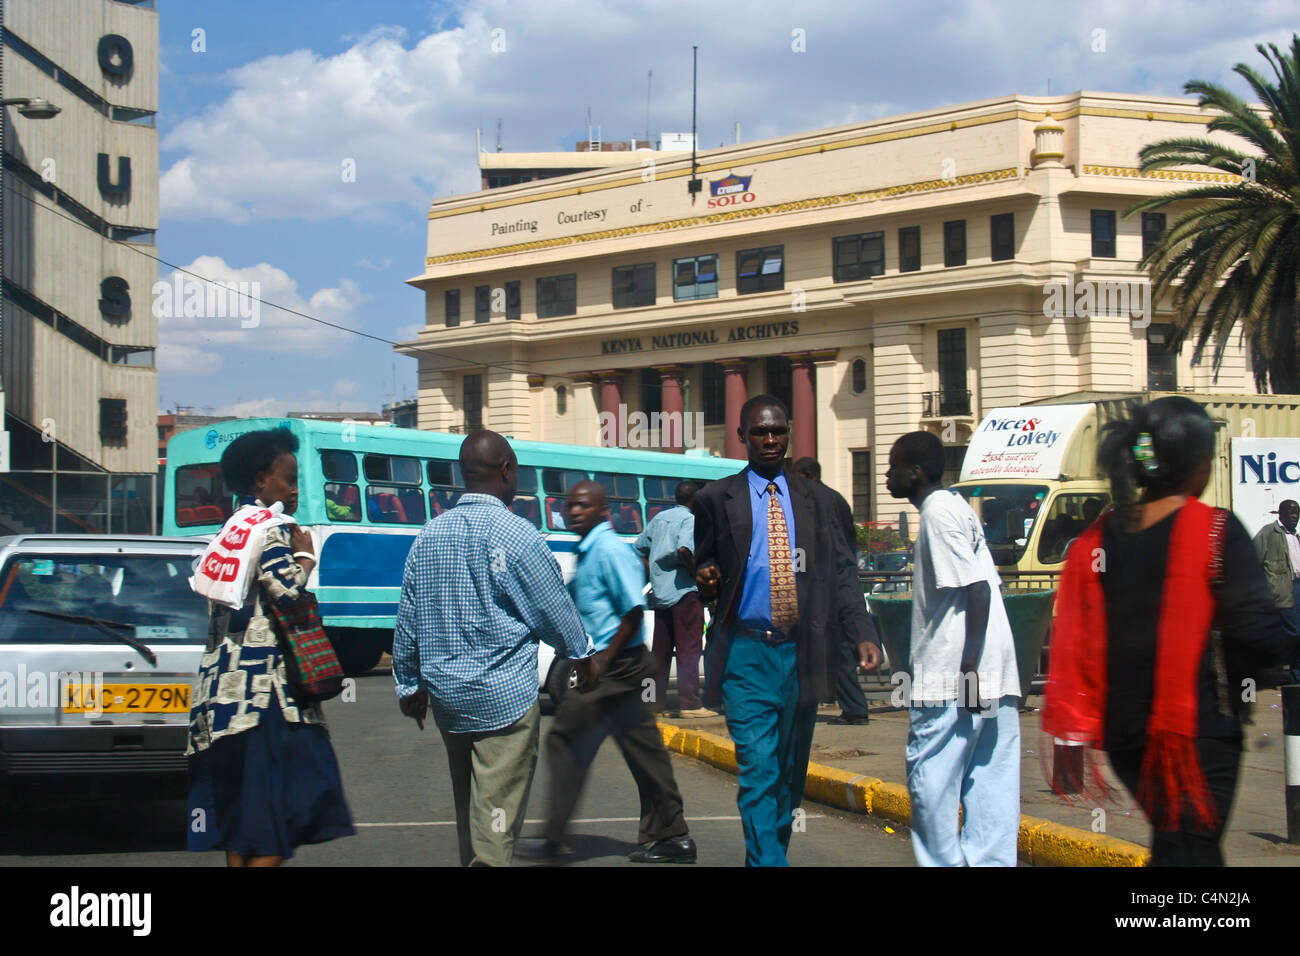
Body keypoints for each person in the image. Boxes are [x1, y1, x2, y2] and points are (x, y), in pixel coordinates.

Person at [1043, 397, 1288, 866]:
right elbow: (1256, 631)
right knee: (1191, 851)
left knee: (1180, 845)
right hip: (1199, 732)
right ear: (1197, 463)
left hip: (1126, 735)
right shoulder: (1216, 530)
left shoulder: (1100, 537)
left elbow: (1082, 638)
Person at [392, 430, 595, 867]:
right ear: (506, 469)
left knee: (470, 809)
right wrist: (580, 653)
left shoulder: (428, 536)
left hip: (448, 700)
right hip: (504, 697)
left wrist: (409, 685)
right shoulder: (518, 534)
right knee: (496, 819)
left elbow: (408, 619)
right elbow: (552, 608)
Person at [694, 395, 881, 866]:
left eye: (778, 430)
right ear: (742, 437)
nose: (771, 439)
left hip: (803, 655)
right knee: (758, 771)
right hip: (745, 655)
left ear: (789, 432)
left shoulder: (823, 503)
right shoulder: (715, 500)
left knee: (789, 778)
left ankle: (768, 852)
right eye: (760, 432)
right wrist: (707, 577)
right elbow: (705, 565)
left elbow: (843, 574)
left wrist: (862, 632)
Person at [187, 427, 355, 866]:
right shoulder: (271, 529)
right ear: (262, 481)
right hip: (266, 700)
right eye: (289, 477)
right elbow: (287, 592)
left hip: (220, 699)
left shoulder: (228, 532)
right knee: (286, 816)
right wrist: (306, 555)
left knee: (242, 823)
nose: (295, 487)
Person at [520, 480, 696, 864]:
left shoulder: (608, 550)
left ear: (602, 511)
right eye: (569, 505)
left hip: (615, 666)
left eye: (583, 505)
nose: (574, 510)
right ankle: (674, 836)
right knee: (644, 753)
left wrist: (600, 660)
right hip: (618, 666)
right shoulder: (587, 549)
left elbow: (632, 613)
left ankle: (554, 841)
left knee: (565, 742)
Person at [886, 430, 1022, 867]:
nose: (888, 475)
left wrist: (968, 666)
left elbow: (977, 589)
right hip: (993, 675)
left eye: (893, 466)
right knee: (989, 783)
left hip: (955, 677)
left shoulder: (938, 513)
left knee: (932, 785)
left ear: (915, 472)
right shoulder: (957, 507)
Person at [793, 456, 871, 726]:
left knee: (836, 649)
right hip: (840, 578)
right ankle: (852, 706)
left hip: (826, 583)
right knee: (840, 648)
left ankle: (853, 707)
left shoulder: (817, 500)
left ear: (808, 476)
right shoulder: (836, 498)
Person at [634, 480, 714, 718]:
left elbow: (640, 550)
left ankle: (653, 703)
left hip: (661, 593)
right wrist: (695, 574)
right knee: (689, 648)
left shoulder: (659, 519)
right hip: (685, 593)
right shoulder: (690, 520)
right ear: (696, 500)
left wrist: (654, 575)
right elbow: (684, 550)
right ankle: (690, 704)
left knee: (661, 651)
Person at [1253, 499, 1300, 681]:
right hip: (1283, 591)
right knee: (1294, 633)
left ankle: (1296, 675)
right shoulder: (1269, 533)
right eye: (1291, 513)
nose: (1295, 517)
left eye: (1297, 513)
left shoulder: (1295, 536)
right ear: (1280, 513)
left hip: (1298, 586)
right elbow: (1253, 560)